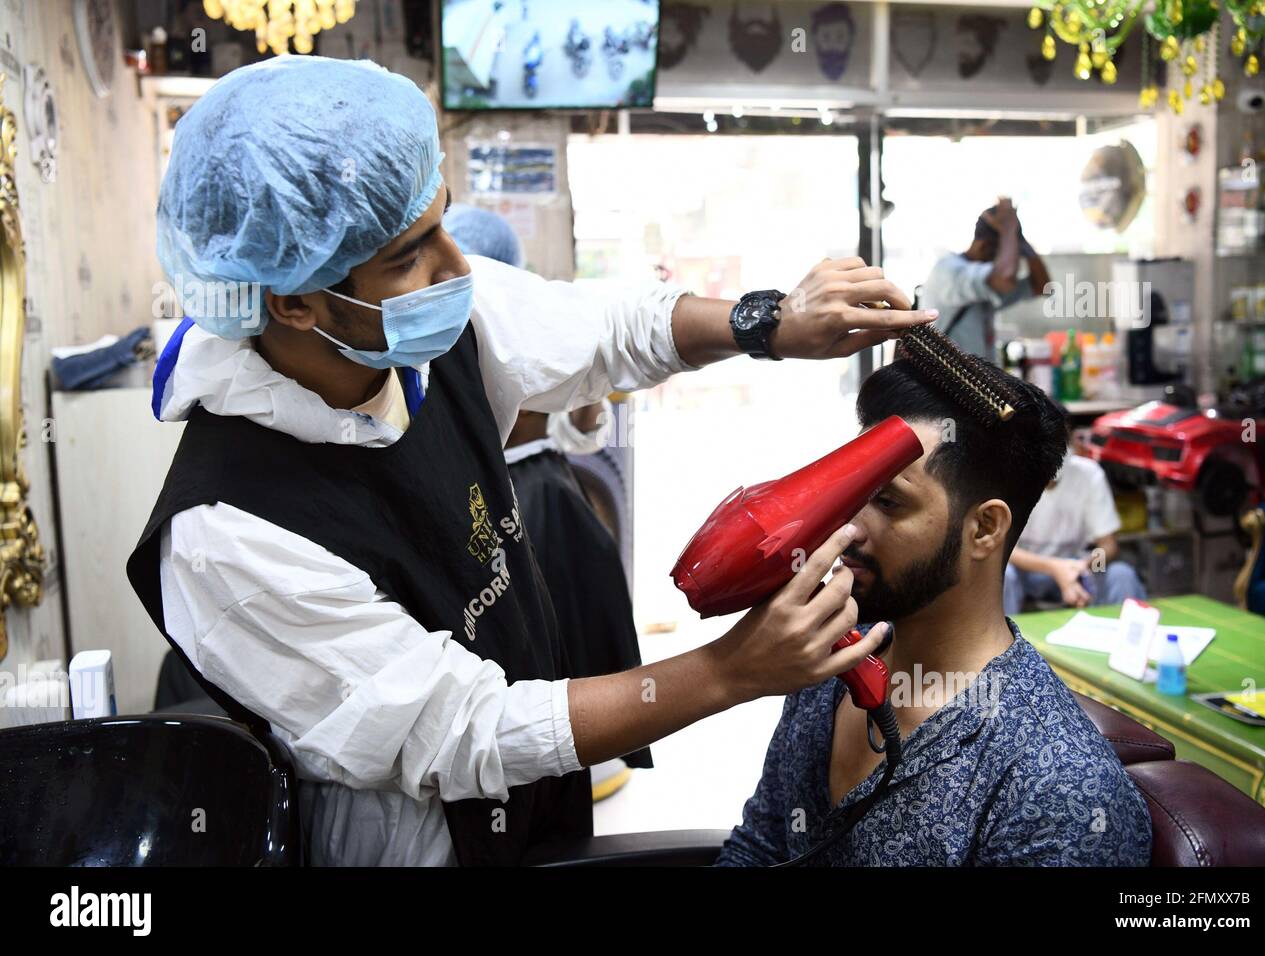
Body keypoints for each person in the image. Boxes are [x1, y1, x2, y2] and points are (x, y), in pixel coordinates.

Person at [126, 56, 934, 867]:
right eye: (411, 253)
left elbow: (605, 328)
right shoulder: (225, 533)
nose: (457, 265)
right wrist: (729, 671)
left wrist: (769, 324)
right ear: (294, 302)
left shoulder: (424, 330)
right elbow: (464, 731)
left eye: (444, 221)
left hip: (544, 795)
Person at [716, 356, 1152, 866]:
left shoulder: (1060, 792)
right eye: (851, 490)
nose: (846, 527)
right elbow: (761, 847)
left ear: (985, 529)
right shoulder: (826, 663)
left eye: (888, 502)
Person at [443, 204, 647, 797]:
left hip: (540, 499)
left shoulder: (521, 335)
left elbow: (581, 432)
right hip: (515, 501)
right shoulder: (447, 351)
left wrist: (587, 385)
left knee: (558, 634)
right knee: (530, 637)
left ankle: (585, 760)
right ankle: (551, 768)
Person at [1004, 447, 1147, 614]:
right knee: (1003, 576)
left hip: (1078, 567)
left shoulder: (1089, 474)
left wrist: (1087, 564)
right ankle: (1003, 639)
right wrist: (1055, 568)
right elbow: (1006, 550)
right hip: (1025, 570)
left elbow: (1107, 545)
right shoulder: (1009, 475)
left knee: (1121, 574)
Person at [920, 197, 1050, 362]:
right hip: (946, 382)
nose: (1011, 265)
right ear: (984, 246)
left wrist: (1020, 238)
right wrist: (1009, 229)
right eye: (1005, 256)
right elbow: (1005, 278)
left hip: (971, 382)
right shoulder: (950, 272)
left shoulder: (986, 287)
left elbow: (1043, 286)